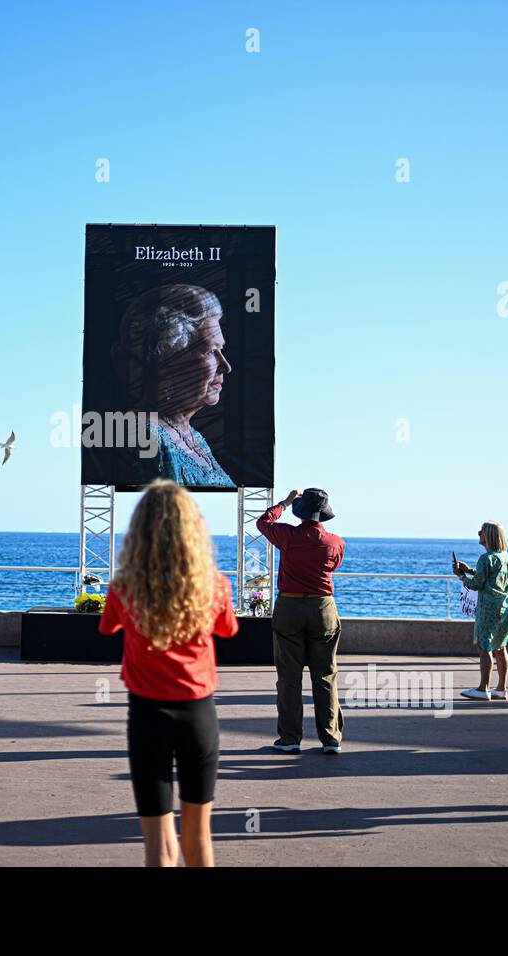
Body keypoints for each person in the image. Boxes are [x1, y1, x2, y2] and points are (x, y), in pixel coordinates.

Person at [98, 480, 239, 866]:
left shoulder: (124, 587)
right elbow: (228, 630)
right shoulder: (213, 586)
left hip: (146, 715)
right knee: (199, 839)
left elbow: (107, 627)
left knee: (158, 847)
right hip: (198, 715)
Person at [111, 283, 235, 487]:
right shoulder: (148, 437)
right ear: (168, 359)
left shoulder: (193, 437)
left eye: (221, 350)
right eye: (212, 352)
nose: (226, 366)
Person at [256, 488, 346, 753]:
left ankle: (290, 738)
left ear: (301, 510)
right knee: (325, 675)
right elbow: (335, 566)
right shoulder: (336, 542)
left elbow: (263, 522)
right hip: (323, 607)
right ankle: (330, 738)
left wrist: (284, 502)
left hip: (290, 606)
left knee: (289, 677)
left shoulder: (289, 536)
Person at [453, 522, 508, 701]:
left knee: (484, 646)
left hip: (488, 608)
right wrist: (470, 570)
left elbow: (477, 584)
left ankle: (483, 688)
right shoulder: (505, 557)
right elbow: (491, 578)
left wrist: (462, 576)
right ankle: (501, 688)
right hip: (505, 607)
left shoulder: (485, 558)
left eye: (482, 531)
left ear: (488, 536)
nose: (478, 533)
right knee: (500, 646)